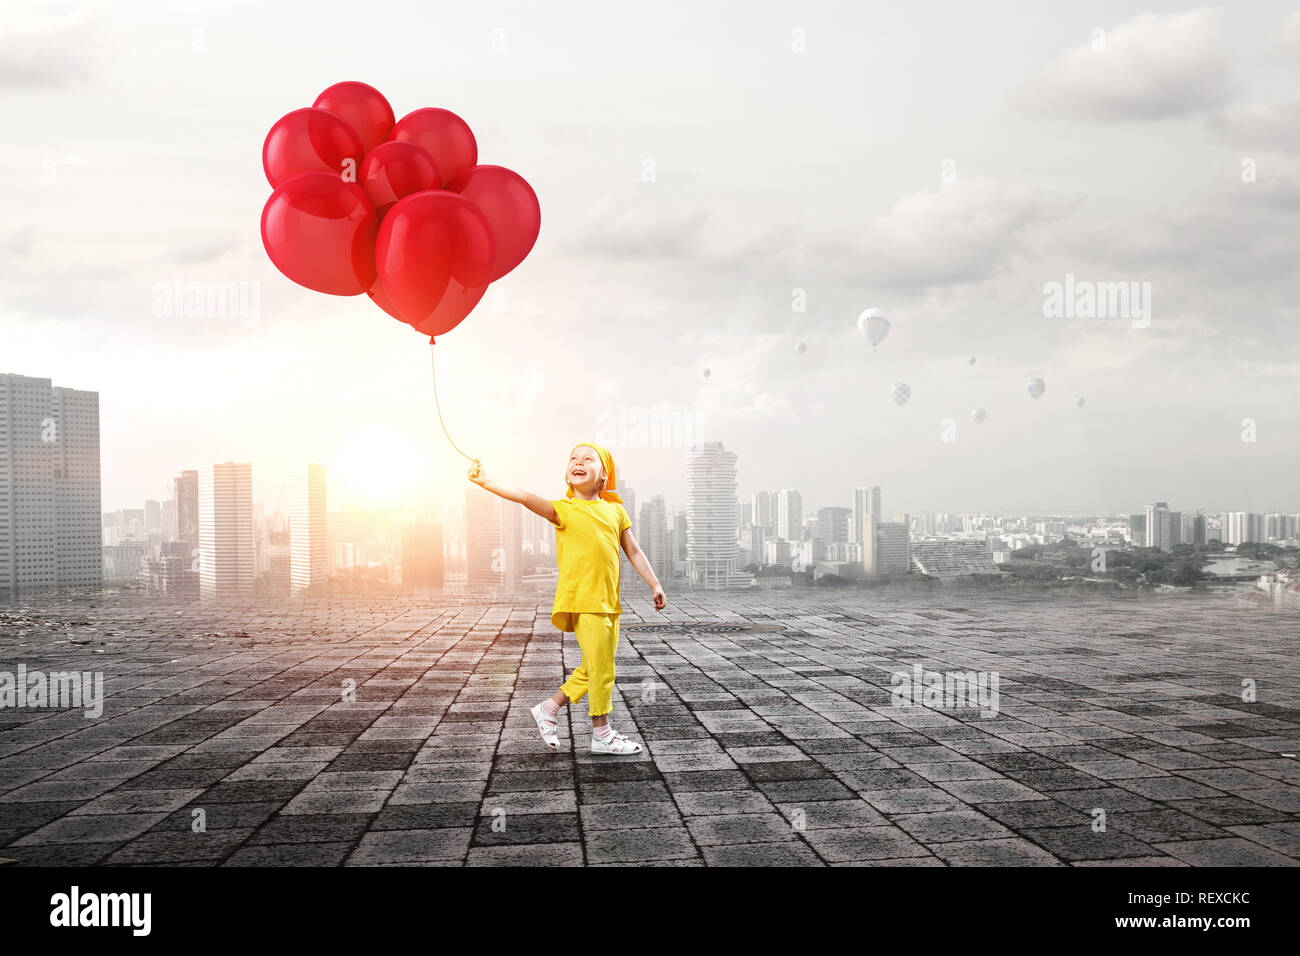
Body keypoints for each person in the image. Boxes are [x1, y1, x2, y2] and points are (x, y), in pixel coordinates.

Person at [468, 442, 666, 755]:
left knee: (594, 666)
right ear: (567, 471)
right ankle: (602, 734)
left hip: (608, 602)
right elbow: (525, 497)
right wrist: (487, 482)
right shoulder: (564, 510)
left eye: (589, 458)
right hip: (582, 600)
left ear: (604, 475)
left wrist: (654, 583)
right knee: (602, 670)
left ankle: (548, 708)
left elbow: (634, 551)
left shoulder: (615, 511)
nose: (578, 462)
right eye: (573, 458)